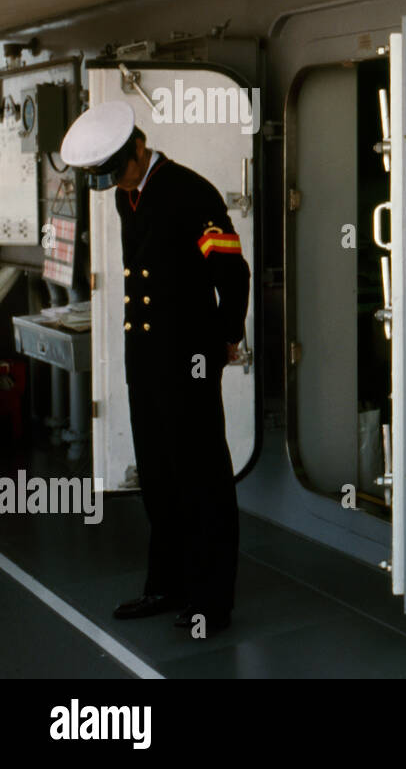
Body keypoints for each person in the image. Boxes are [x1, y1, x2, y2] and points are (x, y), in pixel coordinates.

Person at [60, 101, 249, 634]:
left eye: (117, 170)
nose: (115, 184)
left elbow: (232, 272)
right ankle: (166, 584)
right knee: (160, 478)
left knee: (202, 479)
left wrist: (227, 336)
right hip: (146, 360)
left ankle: (210, 602)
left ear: (138, 148)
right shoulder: (129, 196)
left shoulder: (191, 192)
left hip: (188, 358)